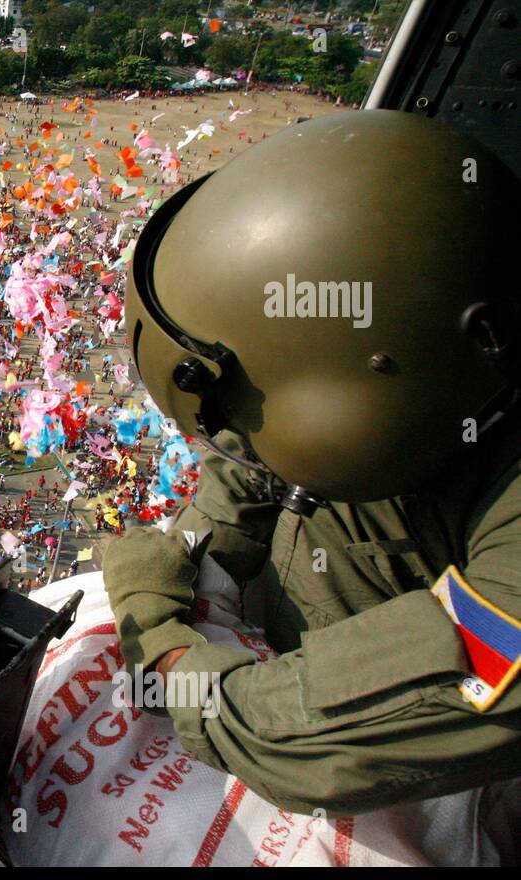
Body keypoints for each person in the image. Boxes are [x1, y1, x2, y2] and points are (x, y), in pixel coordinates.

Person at [111, 110, 521, 816]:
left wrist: (172, 662)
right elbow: (258, 467)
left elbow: (303, 737)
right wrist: (179, 559)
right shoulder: (436, 407)